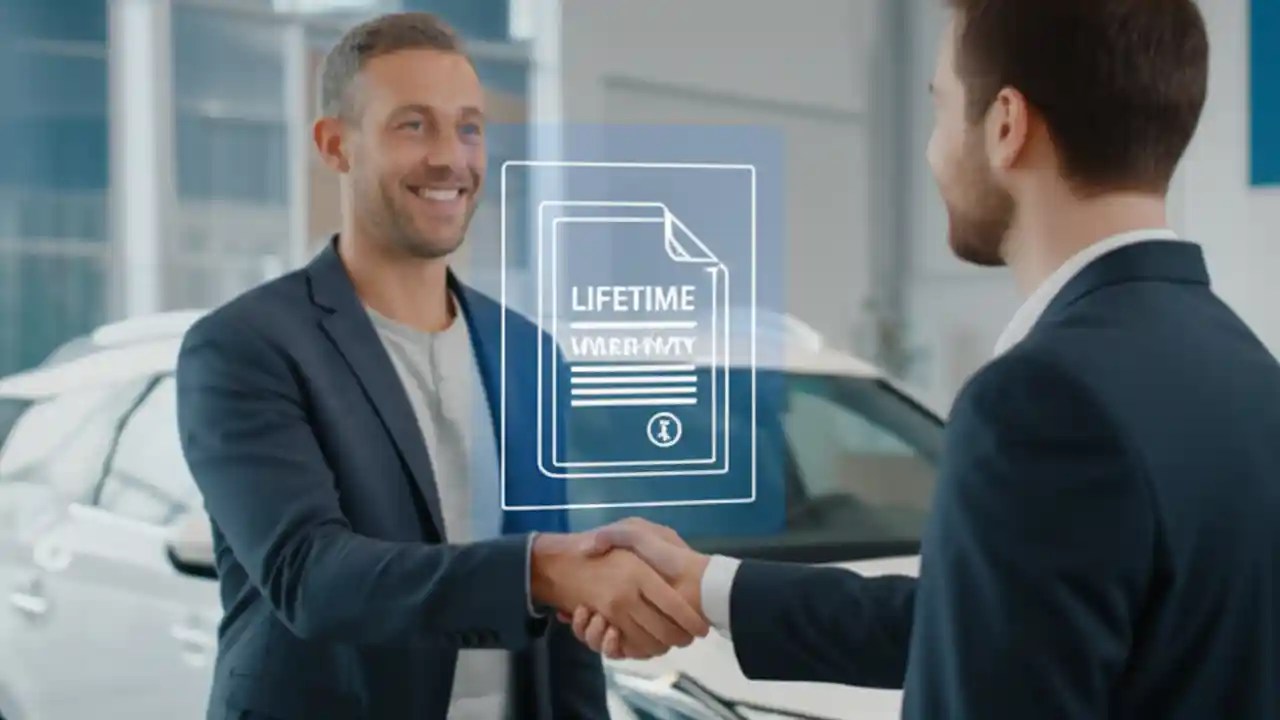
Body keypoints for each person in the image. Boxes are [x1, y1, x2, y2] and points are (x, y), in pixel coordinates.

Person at [571, 0, 1280, 717]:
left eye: (941, 111)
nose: (935, 150)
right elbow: (1004, 622)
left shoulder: (1041, 400)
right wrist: (709, 584)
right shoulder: (1245, 370)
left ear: (1006, 126)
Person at [175, 12, 705, 720]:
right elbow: (312, 577)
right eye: (412, 126)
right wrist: (540, 570)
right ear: (336, 145)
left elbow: (562, 638)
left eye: (469, 127)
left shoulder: (528, 351)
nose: (451, 157)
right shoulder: (246, 347)